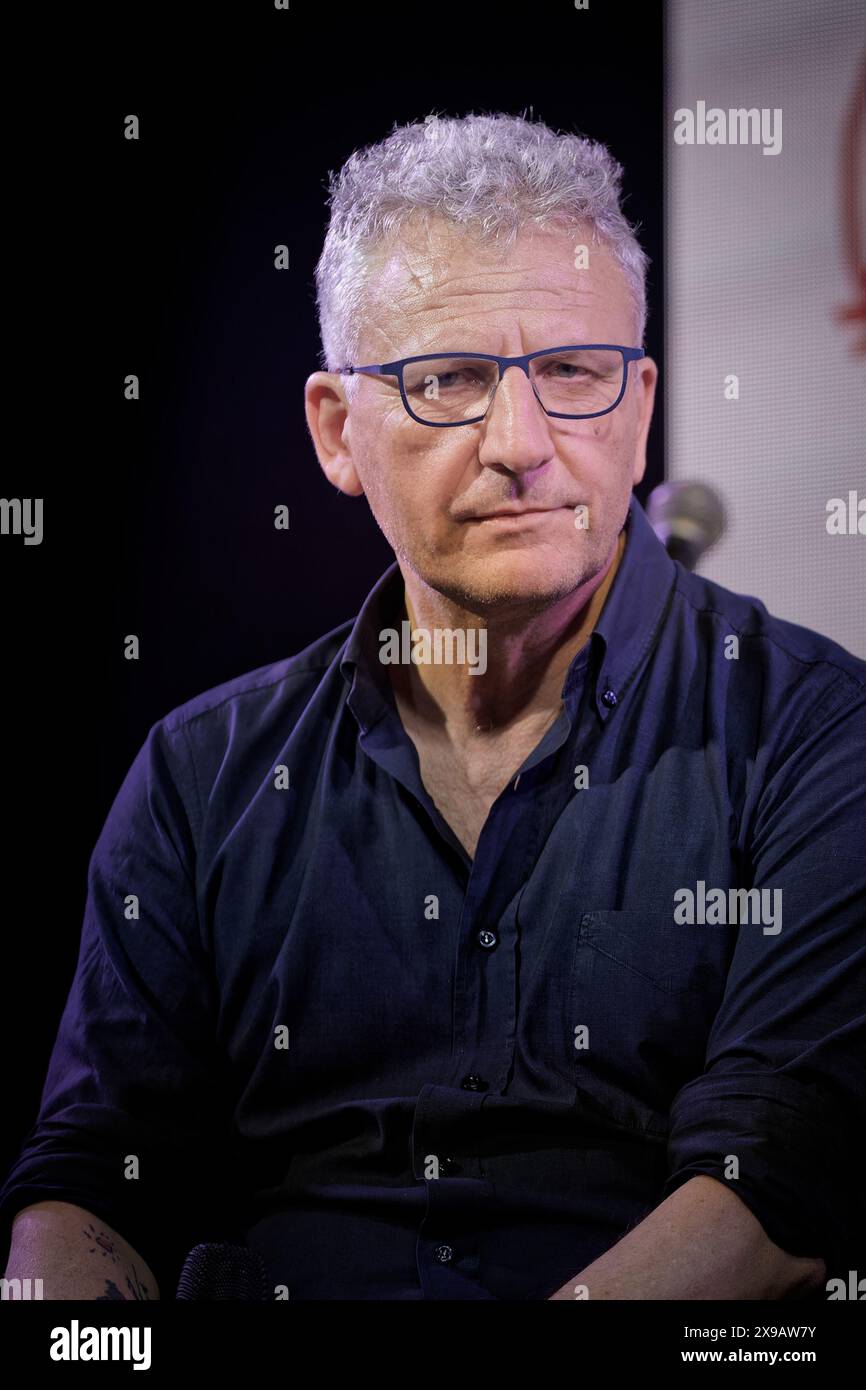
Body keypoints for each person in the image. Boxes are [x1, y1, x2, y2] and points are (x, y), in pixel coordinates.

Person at [2, 113, 864, 1302]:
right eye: (448, 381)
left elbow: (772, 1186)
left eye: (570, 372)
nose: (520, 445)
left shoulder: (815, 736)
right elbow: (94, 1186)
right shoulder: (202, 777)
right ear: (334, 431)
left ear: (641, 403)